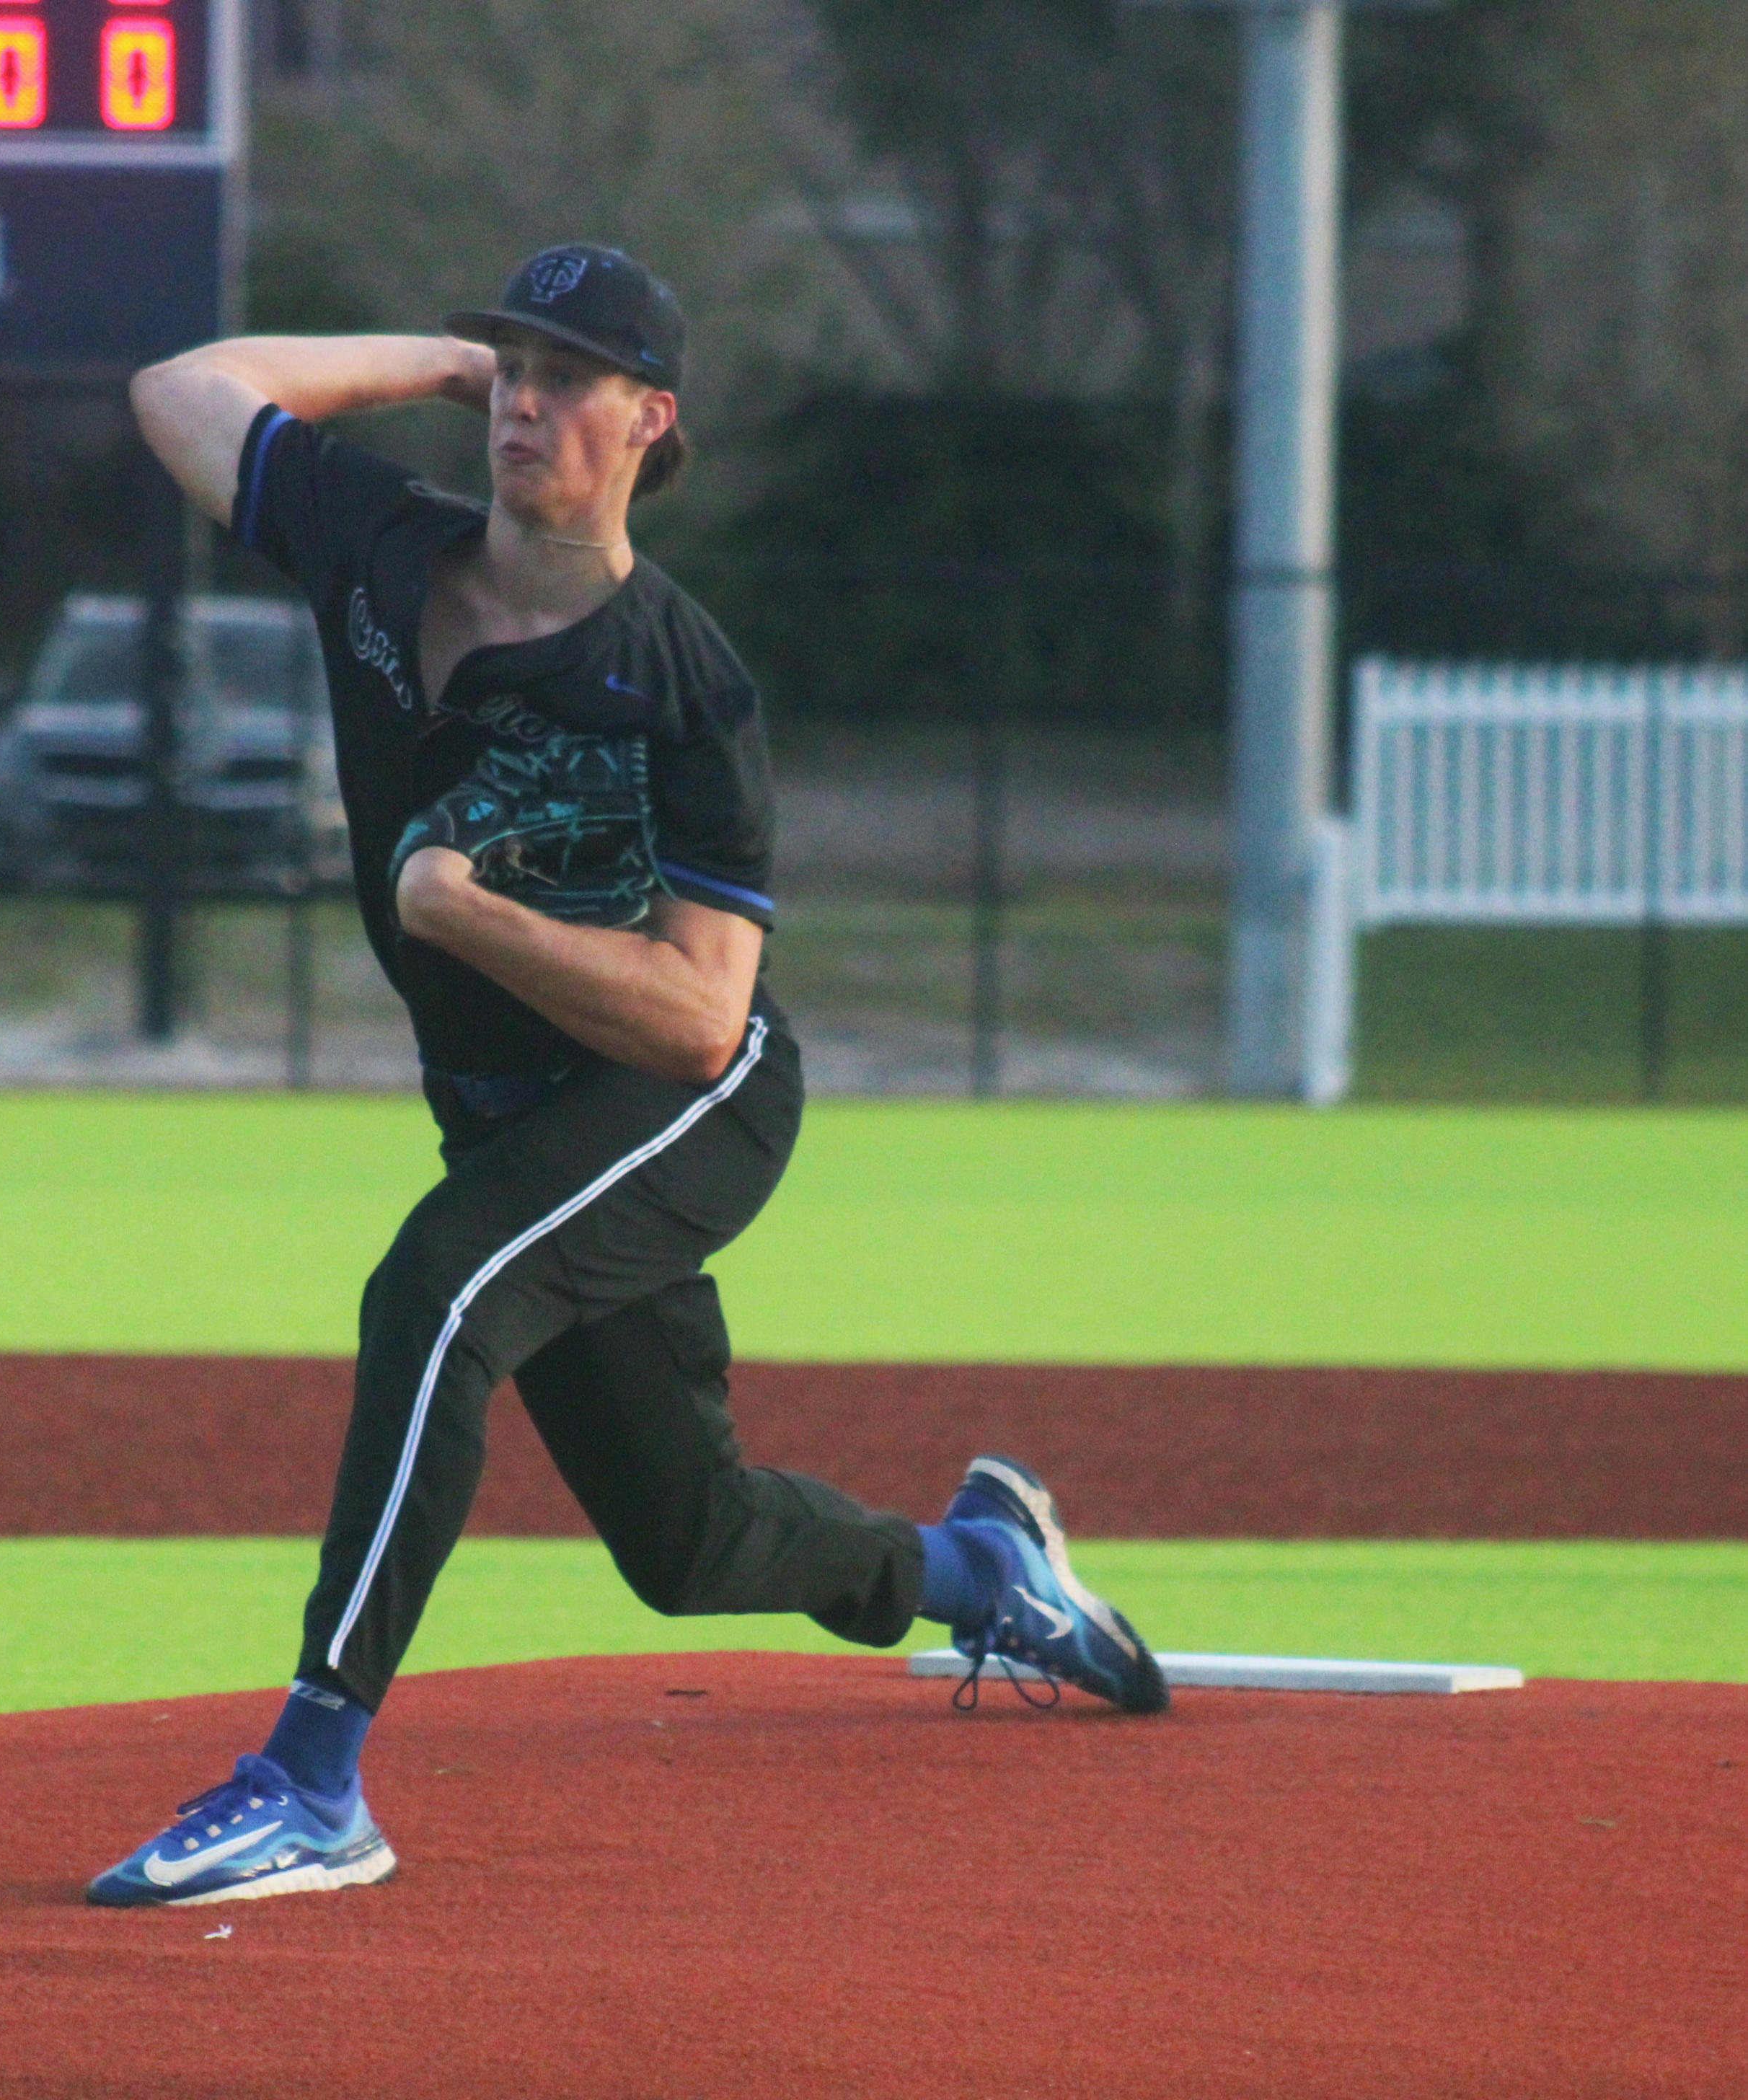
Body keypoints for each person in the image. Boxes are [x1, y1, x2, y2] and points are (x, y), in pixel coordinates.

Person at [90, 245, 1165, 1910]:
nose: (528, 398)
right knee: (689, 1544)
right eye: (513, 367)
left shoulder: (684, 681)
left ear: (650, 419)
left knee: (435, 1294)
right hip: (519, 1113)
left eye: (570, 374)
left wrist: (467, 912)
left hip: (692, 1101)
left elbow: (693, 1018)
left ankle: (309, 1778)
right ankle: (978, 1564)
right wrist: (439, 363)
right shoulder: (380, 545)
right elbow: (180, 392)